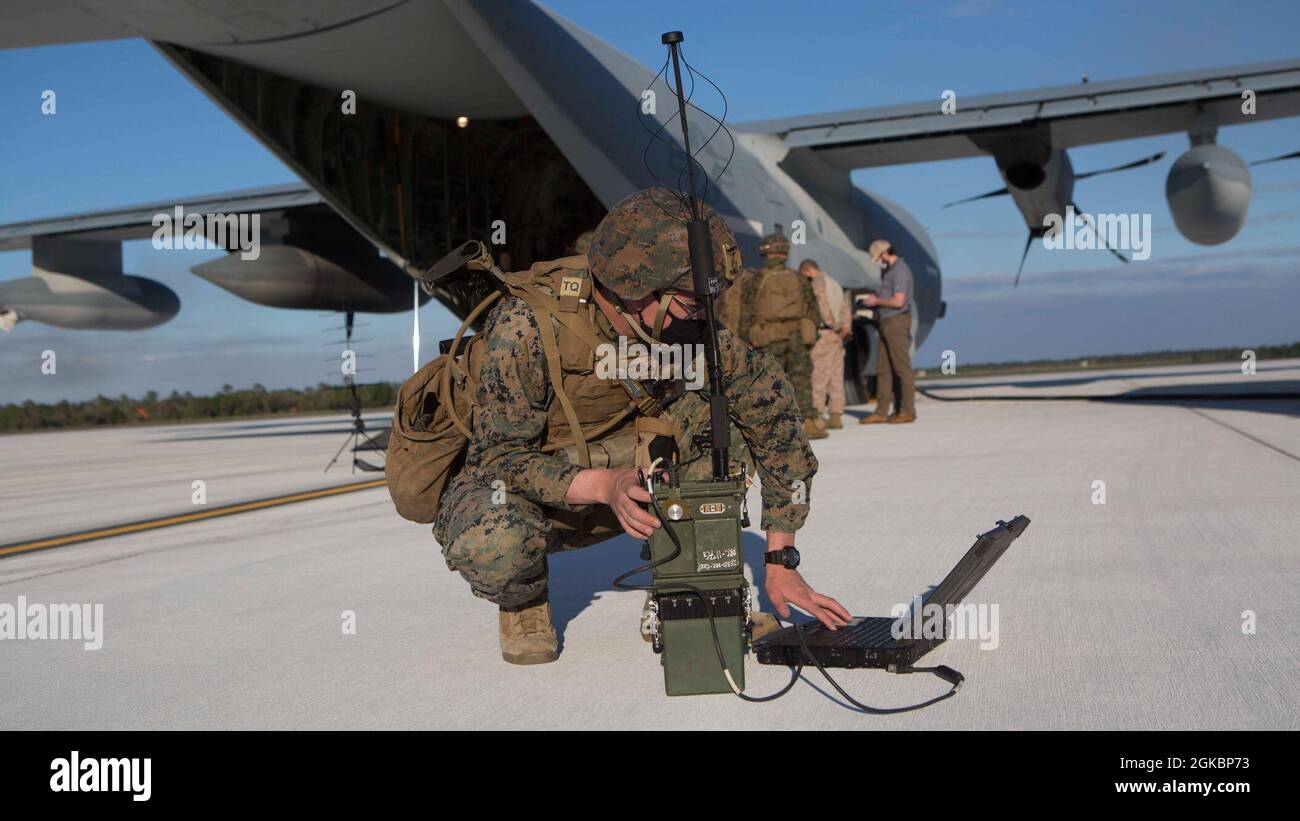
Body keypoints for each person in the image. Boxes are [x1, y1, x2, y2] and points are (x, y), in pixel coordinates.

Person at [433, 189, 851, 665]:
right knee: (493, 543)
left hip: (635, 486)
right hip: (538, 492)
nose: (704, 316)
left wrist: (780, 559)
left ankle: (686, 582)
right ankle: (522, 600)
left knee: (718, 423)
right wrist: (603, 485)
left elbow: (775, 424)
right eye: (692, 304)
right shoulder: (526, 325)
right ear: (637, 290)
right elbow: (497, 459)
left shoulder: (689, 330)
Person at [736, 231, 828, 440]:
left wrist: (745, 341)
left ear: (765, 253)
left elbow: (746, 315)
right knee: (801, 382)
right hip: (797, 337)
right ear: (785, 252)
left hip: (768, 339)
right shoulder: (799, 278)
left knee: (770, 385)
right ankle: (810, 423)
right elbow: (814, 311)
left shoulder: (755, 279)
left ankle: (775, 429)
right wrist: (810, 335)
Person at [859, 240, 916, 424]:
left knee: (901, 367)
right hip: (885, 322)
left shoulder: (899, 271)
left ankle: (907, 410)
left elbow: (899, 301)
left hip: (896, 321)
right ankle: (881, 411)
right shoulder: (889, 272)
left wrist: (876, 301)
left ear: (884, 254)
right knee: (883, 368)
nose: (878, 262)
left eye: (878, 258)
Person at [799, 259, 850, 430]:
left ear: (807, 271)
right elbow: (845, 308)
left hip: (824, 335)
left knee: (818, 377)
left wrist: (832, 325)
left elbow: (823, 307)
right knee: (836, 377)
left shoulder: (817, 284)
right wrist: (844, 327)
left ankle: (817, 415)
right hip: (837, 337)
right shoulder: (834, 283)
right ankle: (836, 416)